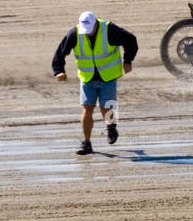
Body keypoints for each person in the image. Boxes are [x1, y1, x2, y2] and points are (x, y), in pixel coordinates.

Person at [52, 11, 138, 154]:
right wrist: (58, 70)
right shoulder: (75, 33)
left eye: (90, 30)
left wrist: (128, 61)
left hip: (108, 77)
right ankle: (87, 143)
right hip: (87, 78)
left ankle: (111, 127)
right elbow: (60, 52)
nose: (87, 33)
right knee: (87, 109)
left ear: (96, 24)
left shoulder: (110, 30)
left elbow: (131, 40)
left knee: (107, 108)